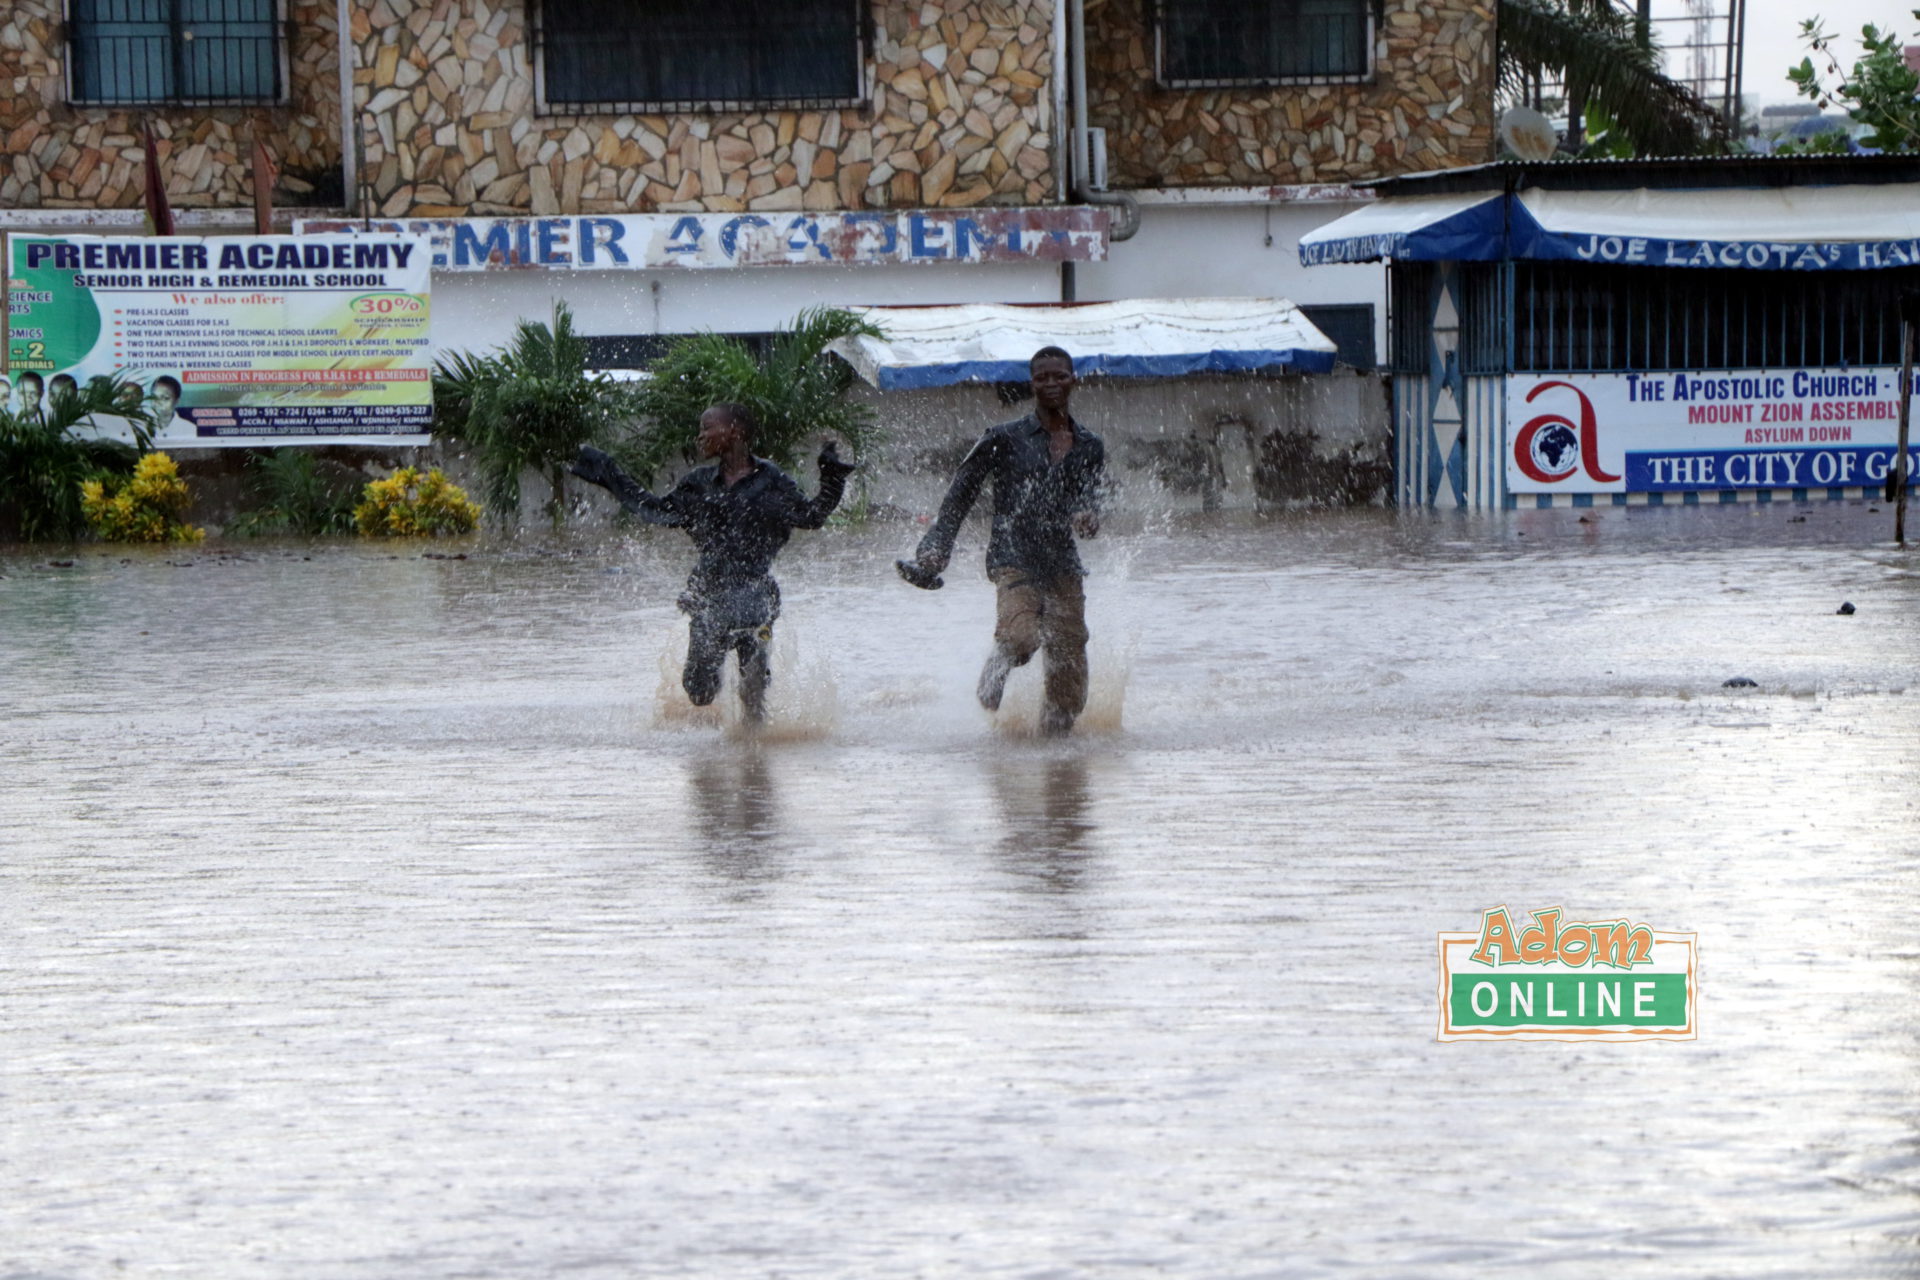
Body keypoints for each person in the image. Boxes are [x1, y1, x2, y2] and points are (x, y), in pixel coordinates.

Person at [570, 403, 855, 723]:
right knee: (699, 692)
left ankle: (753, 749)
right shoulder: (698, 483)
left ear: (734, 431)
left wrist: (832, 477)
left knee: (753, 691)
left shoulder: (773, 481)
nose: (700, 436)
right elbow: (654, 509)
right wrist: (607, 471)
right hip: (710, 596)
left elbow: (811, 516)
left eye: (707, 428)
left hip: (756, 595)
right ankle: (719, 691)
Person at [896, 345, 1106, 736]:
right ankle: (1000, 661)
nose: (1051, 383)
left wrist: (1089, 517)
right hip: (1013, 554)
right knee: (1021, 636)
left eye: (1059, 376)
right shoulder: (1004, 438)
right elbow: (961, 492)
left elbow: (1090, 497)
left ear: (1073, 380)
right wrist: (936, 547)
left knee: (1069, 656)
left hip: (1062, 560)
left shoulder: (1090, 445)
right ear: (1032, 384)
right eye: (1042, 377)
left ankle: (1058, 753)